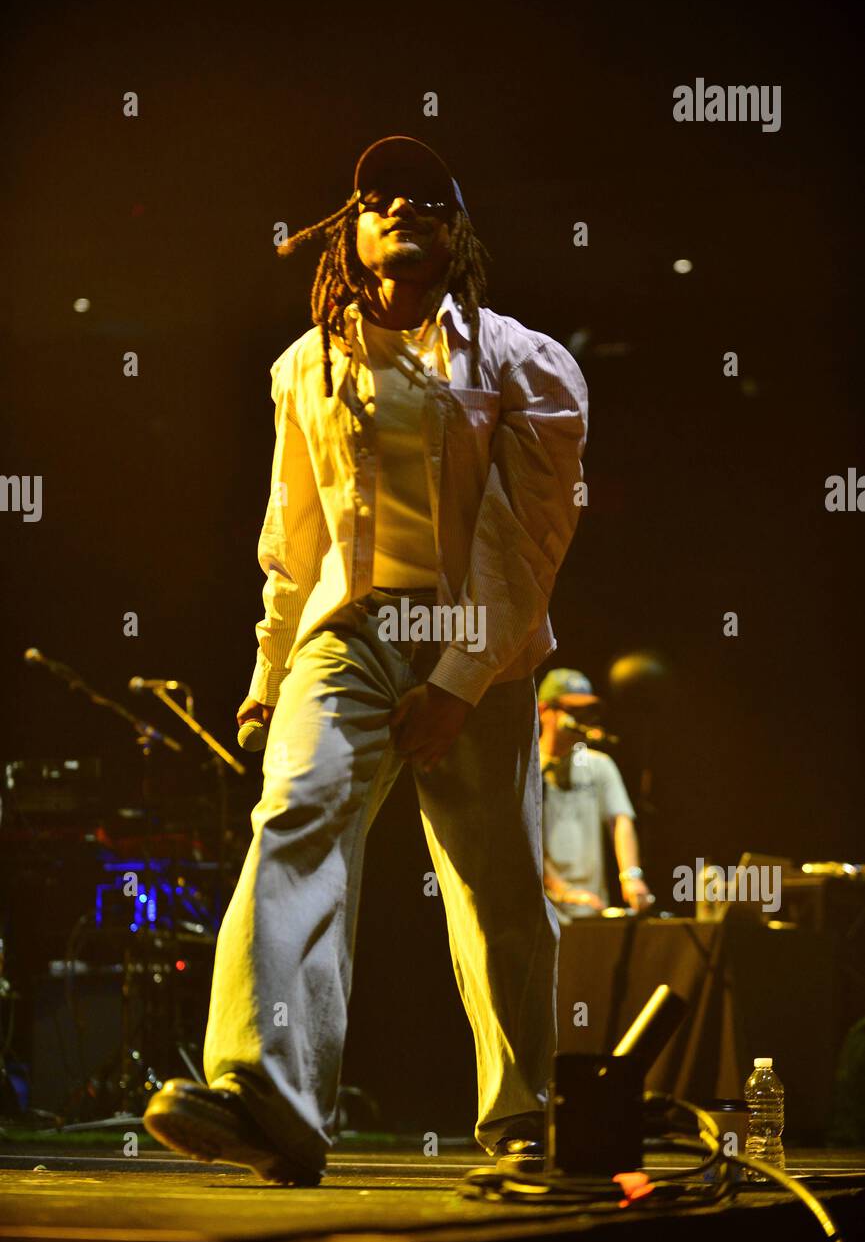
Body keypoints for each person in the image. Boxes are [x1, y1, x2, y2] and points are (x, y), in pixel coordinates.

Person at [144, 135, 588, 1182]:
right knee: (294, 815)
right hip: (348, 634)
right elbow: (290, 540)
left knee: (494, 887)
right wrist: (266, 680)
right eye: (379, 197)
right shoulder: (305, 366)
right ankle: (270, 1101)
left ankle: (524, 1119)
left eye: (427, 197)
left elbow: (527, 541)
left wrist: (457, 684)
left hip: (474, 636)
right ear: (349, 231)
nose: (401, 207)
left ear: (458, 231)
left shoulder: (524, 361)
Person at [537, 668, 653, 922]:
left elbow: (620, 821)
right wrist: (562, 890)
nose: (583, 718)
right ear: (544, 710)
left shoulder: (599, 765)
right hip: (543, 912)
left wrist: (631, 876)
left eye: (587, 711)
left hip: (592, 909)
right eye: (573, 710)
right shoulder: (528, 768)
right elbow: (523, 839)